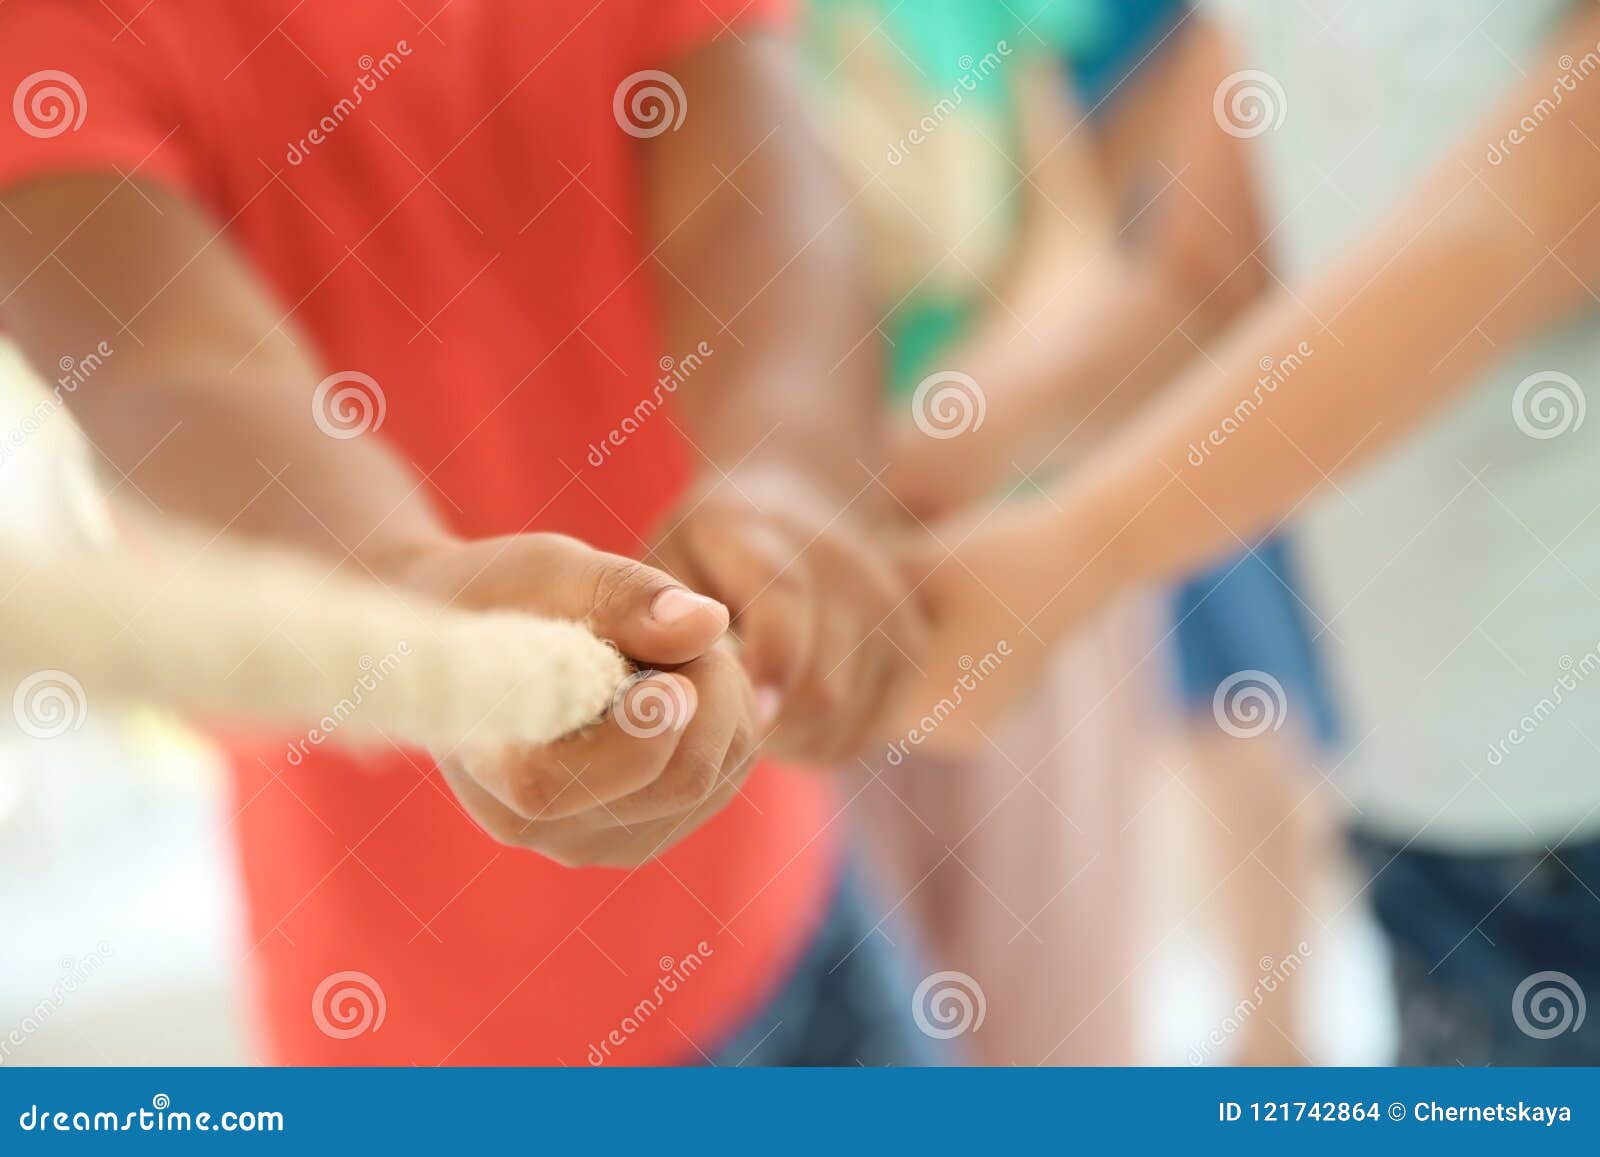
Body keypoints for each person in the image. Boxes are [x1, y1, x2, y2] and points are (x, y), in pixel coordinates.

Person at [0, 0, 931, 1065]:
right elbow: (162, 364)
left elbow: (750, 180)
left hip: (782, 886)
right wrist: (408, 582)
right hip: (432, 1024)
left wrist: (786, 471)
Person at [896, 0, 1600, 1064]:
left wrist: (1070, 553)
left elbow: (1516, 225)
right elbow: (1201, 285)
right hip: (1421, 791)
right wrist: (905, 462)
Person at [887, 0, 1344, 1064]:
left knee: (1238, 695)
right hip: (1018, 484)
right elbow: (1197, 283)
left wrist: (1051, 528)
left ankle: (1277, 1040)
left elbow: (1181, 274)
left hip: (1056, 484)